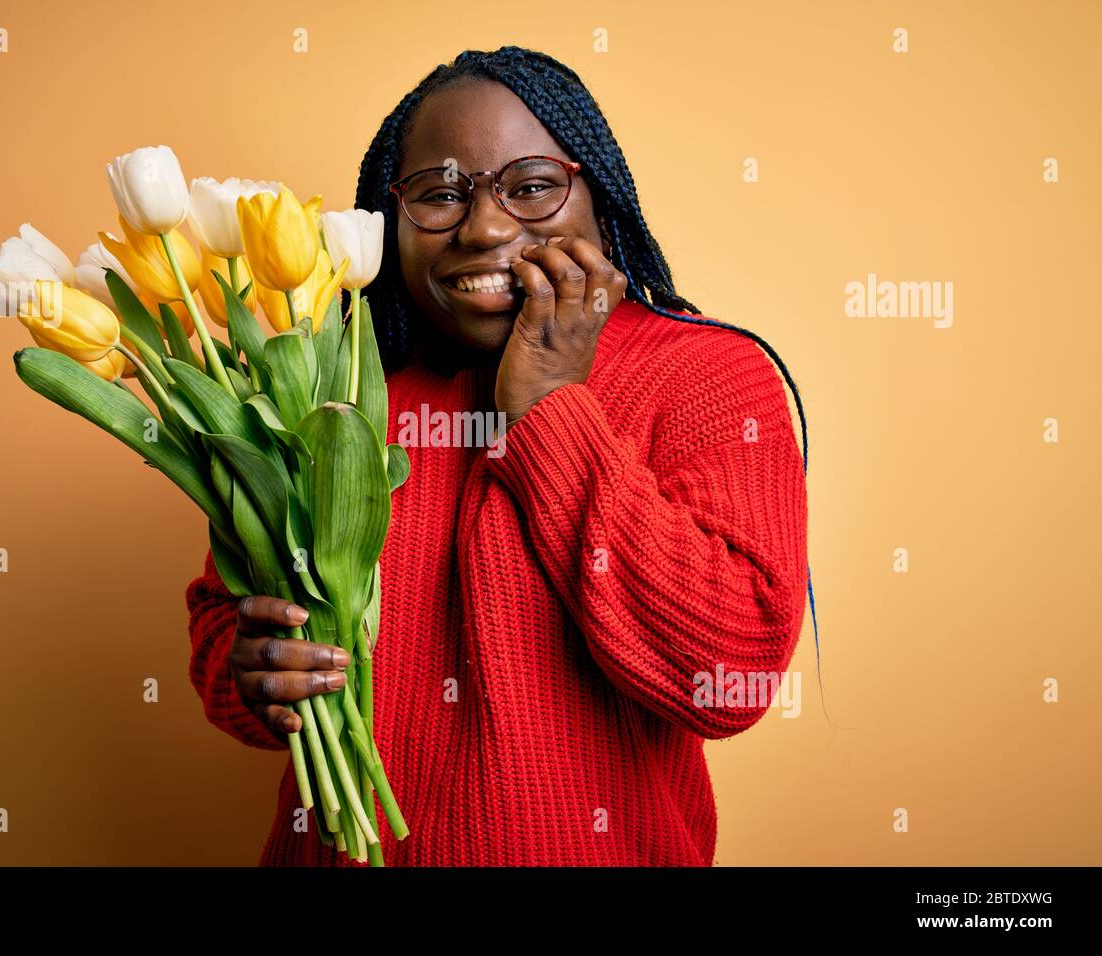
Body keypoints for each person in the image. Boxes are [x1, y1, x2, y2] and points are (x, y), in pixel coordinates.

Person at [185, 45, 811, 866]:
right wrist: (249, 674)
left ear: (599, 198)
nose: (485, 227)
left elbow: (727, 672)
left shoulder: (705, 376)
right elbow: (222, 617)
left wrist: (549, 407)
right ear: (389, 214)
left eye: (532, 186)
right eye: (441, 195)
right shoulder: (335, 387)